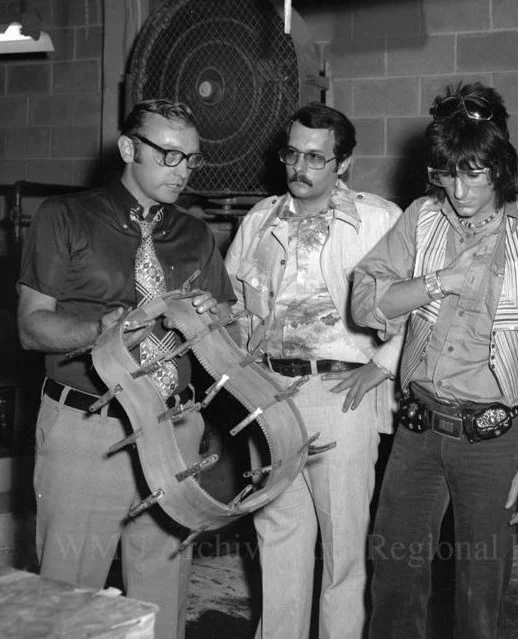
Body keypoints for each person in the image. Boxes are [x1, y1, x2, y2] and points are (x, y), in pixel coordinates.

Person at [351, 82, 518, 639]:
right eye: (448, 173)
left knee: (481, 596)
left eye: (475, 172)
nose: (460, 189)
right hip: (418, 431)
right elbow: (364, 296)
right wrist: (437, 283)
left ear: (501, 164)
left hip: (493, 441)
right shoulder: (422, 219)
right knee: (394, 580)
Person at [17, 99, 235, 639]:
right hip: (89, 429)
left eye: (191, 158)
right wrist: (104, 330)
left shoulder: (195, 234)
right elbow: (31, 327)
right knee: (68, 599)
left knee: (163, 598)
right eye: (167, 154)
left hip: (174, 429)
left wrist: (215, 317)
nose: (181, 170)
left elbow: (228, 314)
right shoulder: (63, 218)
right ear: (127, 148)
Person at [224, 102, 403, 639]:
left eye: (316, 158)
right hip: (269, 393)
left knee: (344, 550)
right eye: (292, 154)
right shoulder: (260, 220)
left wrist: (383, 365)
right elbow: (232, 305)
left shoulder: (379, 219)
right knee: (277, 539)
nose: (299, 168)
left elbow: (421, 301)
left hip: (339, 392)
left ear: (343, 163)